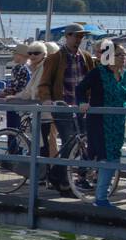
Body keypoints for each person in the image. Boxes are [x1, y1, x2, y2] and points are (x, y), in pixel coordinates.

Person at [37, 22, 96, 195]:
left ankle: (60, 175)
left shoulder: (85, 57)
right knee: (70, 141)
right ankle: (64, 181)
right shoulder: (55, 58)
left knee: (81, 142)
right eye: (76, 36)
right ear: (67, 36)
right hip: (62, 106)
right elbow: (44, 83)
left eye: (81, 36)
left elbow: (90, 82)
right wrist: (47, 100)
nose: (79, 39)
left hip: (81, 107)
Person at [77, 40, 126, 208]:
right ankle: (101, 198)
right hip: (99, 122)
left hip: (118, 123)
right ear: (109, 56)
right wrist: (82, 103)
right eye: (119, 55)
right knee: (106, 158)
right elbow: (80, 89)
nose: (123, 58)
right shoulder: (98, 73)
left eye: (125, 55)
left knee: (114, 158)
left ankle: (101, 196)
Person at [0, 43, 32, 155]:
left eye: (15, 54)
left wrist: (3, 92)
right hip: (24, 102)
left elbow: (14, 86)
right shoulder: (28, 68)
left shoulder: (18, 68)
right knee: (19, 129)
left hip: (14, 102)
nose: (13, 57)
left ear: (20, 55)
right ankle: (19, 152)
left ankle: (12, 154)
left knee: (11, 130)